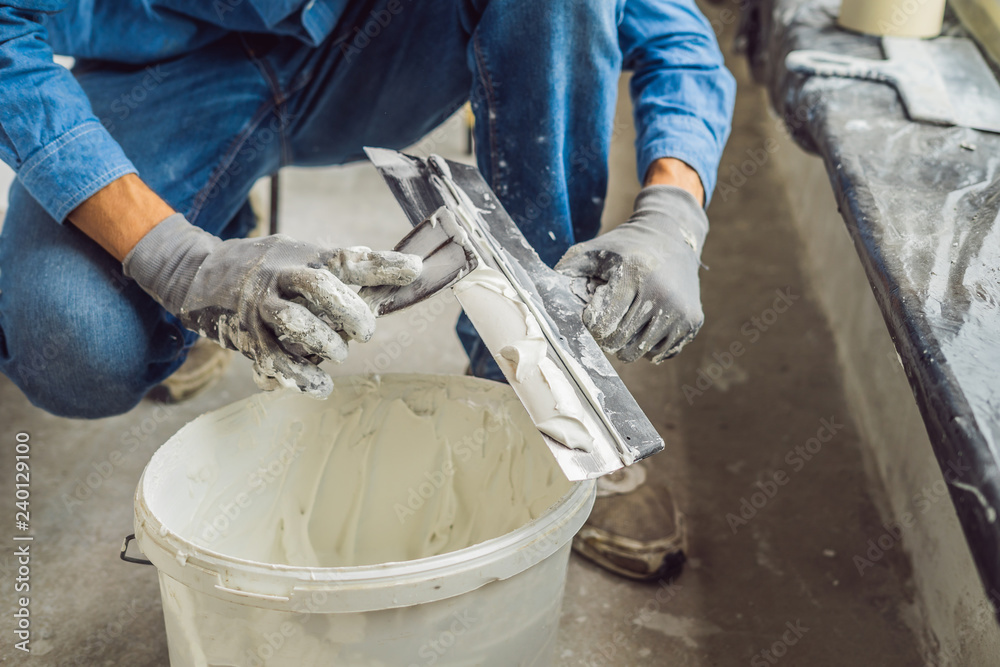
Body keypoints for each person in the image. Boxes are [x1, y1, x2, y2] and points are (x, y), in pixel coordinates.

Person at [0, 0, 734, 581]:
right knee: (72, 344)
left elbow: (670, 31)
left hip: (378, 52)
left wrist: (673, 210)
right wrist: (176, 260)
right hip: (168, 70)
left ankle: (545, 399)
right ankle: (211, 232)